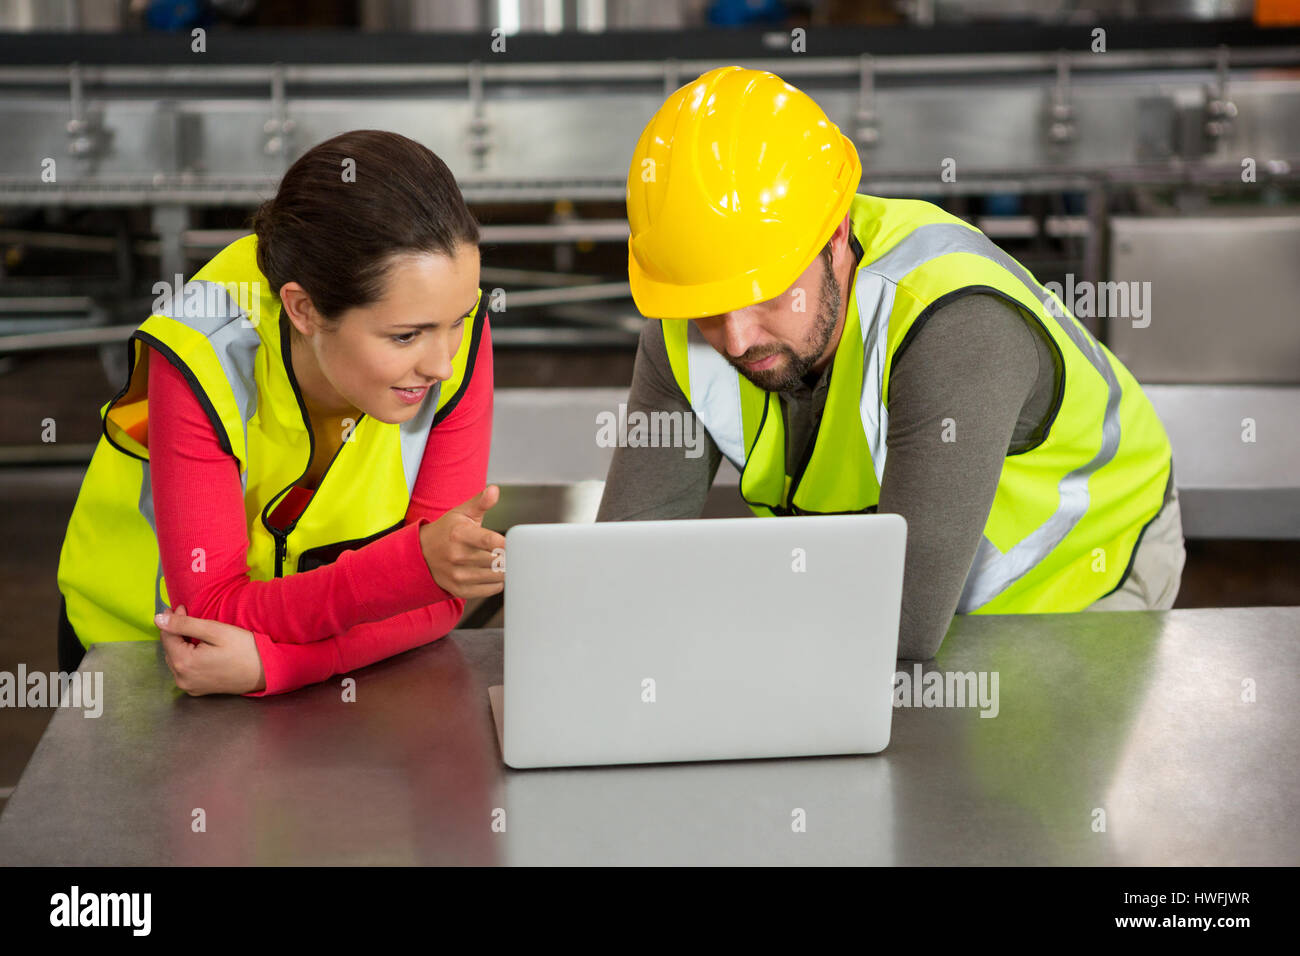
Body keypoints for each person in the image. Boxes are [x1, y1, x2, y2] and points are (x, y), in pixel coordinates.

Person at [598, 66, 1186, 659]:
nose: (735, 339)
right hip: (888, 611)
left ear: (834, 235)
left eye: (767, 293)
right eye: (707, 306)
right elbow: (622, 570)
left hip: (1083, 589)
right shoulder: (684, 323)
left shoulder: (952, 322)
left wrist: (696, 603)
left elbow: (901, 624)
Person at [56, 130, 506, 695]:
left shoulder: (453, 329)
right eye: (405, 336)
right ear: (303, 309)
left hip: (291, 661)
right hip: (134, 660)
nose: (443, 362)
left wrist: (287, 665)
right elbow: (210, 617)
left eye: (459, 319)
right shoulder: (202, 353)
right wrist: (411, 571)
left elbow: (439, 600)